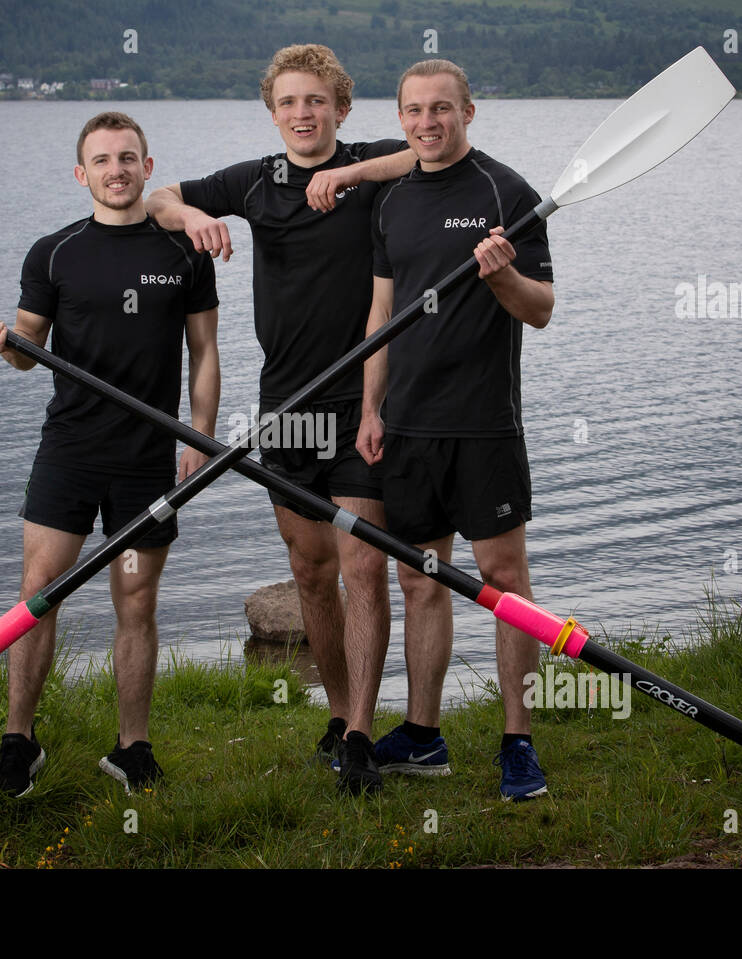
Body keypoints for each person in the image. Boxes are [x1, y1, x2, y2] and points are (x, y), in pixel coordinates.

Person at [146, 44, 416, 794]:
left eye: (317, 100)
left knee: (364, 564)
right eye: (290, 102)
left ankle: (363, 732)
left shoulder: (373, 168)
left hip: (363, 399)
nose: (303, 113)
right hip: (286, 407)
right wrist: (197, 215)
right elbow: (158, 198)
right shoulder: (257, 183)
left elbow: (432, 155)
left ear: (340, 108)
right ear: (274, 113)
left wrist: (349, 173)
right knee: (310, 569)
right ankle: (338, 714)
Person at [0, 111, 220, 796]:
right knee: (36, 596)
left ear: (147, 166)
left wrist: (198, 437)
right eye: (103, 160)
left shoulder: (184, 253)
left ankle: (131, 748)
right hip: (70, 453)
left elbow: (204, 354)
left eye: (128, 158)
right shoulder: (53, 252)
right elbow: (29, 351)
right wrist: (5, 343)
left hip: (146, 461)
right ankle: (19, 739)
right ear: (82, 174)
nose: (117, 170)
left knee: (136, 603)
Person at [359, 60, 555, 800]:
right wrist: (371, 408)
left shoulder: (508, 192)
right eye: (414, 110)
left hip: (483, 425)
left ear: (469, 111)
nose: (426, 122)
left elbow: (539, 308)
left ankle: (517, 742)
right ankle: (423, 733)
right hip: (407, 425)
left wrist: (501, 274)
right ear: (401, 116)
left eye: (442, 109)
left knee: (506, 582)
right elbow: (381, 313)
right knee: (419, 579)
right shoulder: (392, 200)